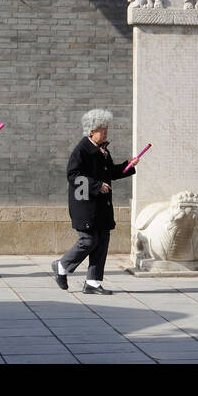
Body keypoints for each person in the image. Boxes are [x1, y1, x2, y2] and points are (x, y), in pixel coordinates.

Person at [51, 109, 137, 295]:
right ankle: (61, 265)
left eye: (106, 129)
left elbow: (111, 173)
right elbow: (73, 176)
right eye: (101, 130)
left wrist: (128, 165)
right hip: (85, 205)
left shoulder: (102, 151)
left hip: (102, 207)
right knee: (88, 240)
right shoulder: (81, 150)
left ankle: (93, 282)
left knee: (102, 240)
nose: (105, 133)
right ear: (91, 131)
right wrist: (96, 186)